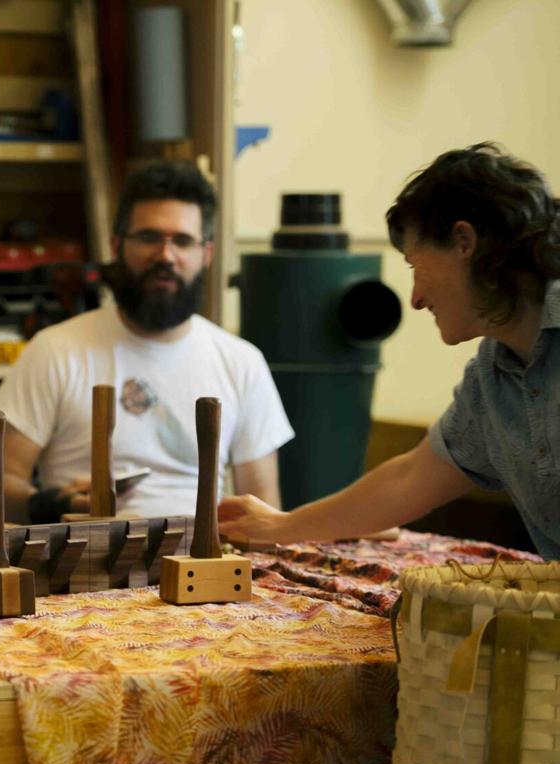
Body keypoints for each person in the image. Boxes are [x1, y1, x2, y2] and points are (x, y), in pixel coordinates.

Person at [219, 143, 560, 557]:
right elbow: (411, 477)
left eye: (416, 266)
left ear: (463, 241)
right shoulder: (491, 375)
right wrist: (283, 524)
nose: (414, 298)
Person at [0, 161, 294, 525]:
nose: (165, 256)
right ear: (118, 244)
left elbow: (265, 512)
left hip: (202, 565)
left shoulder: (242, 362)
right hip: (84, 565)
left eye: (182, 241)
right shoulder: (55, 350)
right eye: (149, 237)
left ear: (206, 254)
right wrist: (54, 505)